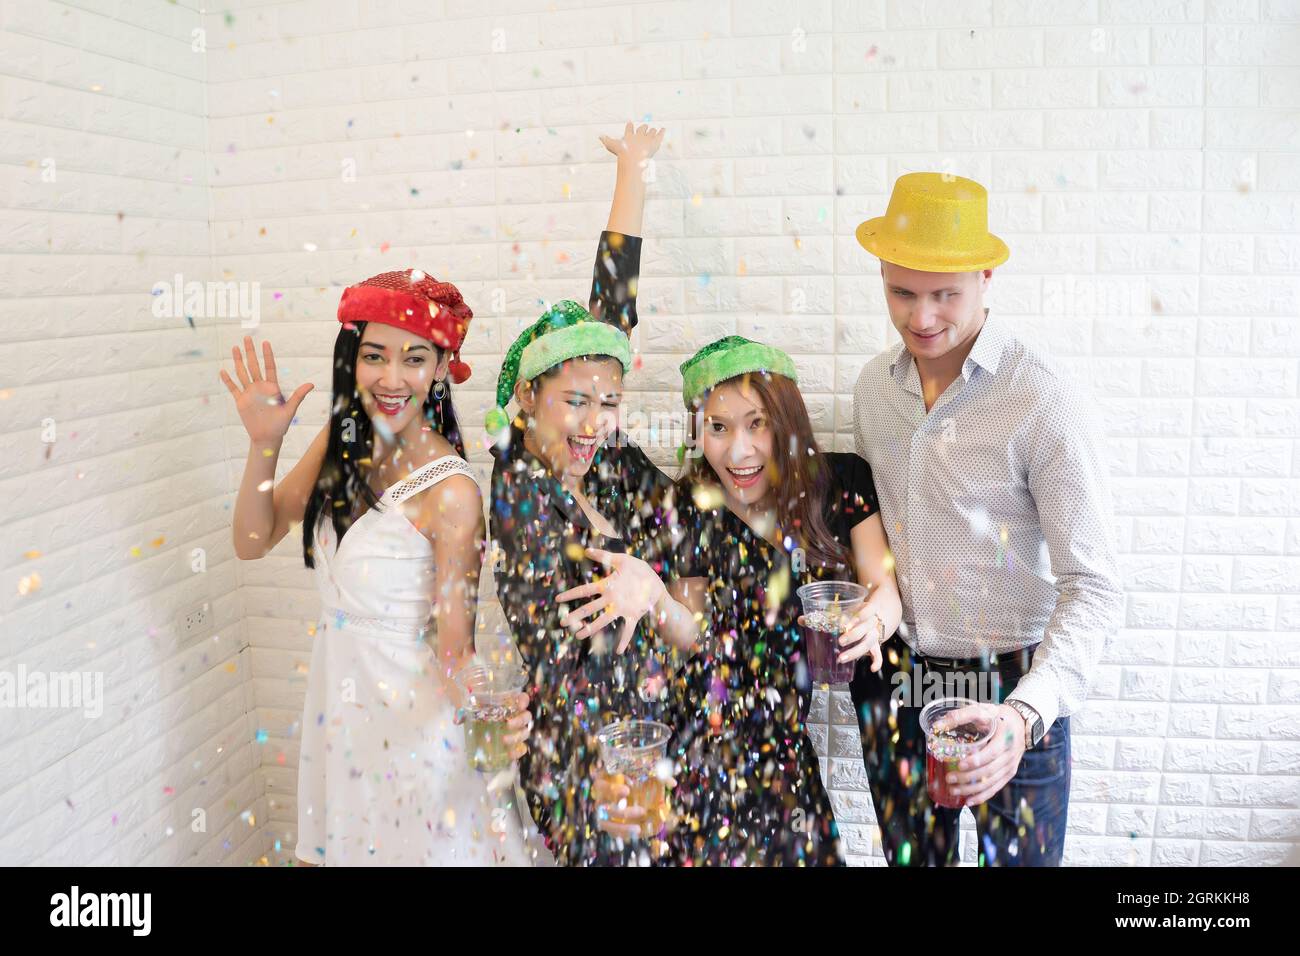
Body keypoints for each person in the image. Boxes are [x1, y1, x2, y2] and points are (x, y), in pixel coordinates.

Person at [849, 171, 1124, 865]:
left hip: (1014, 689)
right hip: (902, 678)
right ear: (882, 273)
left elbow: (1095, 584)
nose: (922, 318)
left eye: (946, 294)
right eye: (902, 293)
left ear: (987, 276)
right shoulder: (871, 392)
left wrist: (1026, 714)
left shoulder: (1041, 396)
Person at [221, 269, 533, 866]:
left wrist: (494, 709)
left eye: (414, 359)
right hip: (342, 712)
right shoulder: (339, 444)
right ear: (351, 360)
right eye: (374, 356)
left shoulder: (452, 493)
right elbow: (252, 540)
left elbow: (454, 652)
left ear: (441, 368)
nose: (392, 379)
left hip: (415, 733)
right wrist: (264, 443)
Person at [488, 124, 703, 866]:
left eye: (609, 402)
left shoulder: (610, 464)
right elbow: (561, 649)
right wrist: (616, 761)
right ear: (526, 399)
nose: (594, 421)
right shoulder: (521, 485)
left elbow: (611, 313)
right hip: (583, 757)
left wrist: (633, 173)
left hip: (650, 735)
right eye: (574, 400)